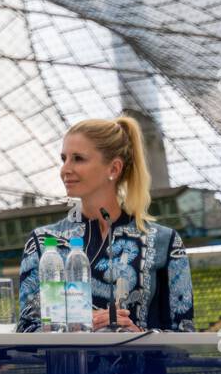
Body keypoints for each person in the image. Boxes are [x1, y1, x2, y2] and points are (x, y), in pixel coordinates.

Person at [18, 116, 194, 333]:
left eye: (78, 159)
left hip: (142, 368)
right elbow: (26, 330)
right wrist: (80, 323)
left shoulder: (165, 241)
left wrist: (136, 335)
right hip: (69, 368)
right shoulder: (42, 241)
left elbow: (185, 334)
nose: (65, 169)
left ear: (114, 169)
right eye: (64, 159)